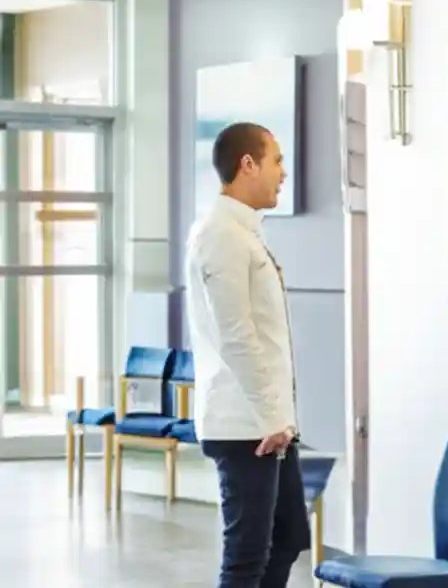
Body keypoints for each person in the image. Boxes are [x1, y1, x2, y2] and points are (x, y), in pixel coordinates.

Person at [186, 122, 309, 587]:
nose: (283, 173)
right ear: (248, 164)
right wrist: (272, 416)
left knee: (287, 538)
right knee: (247, 556)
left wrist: (281, 419)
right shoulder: (220, 235)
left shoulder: (244, 233)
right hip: (246, 426)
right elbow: (236, 336)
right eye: (277, 160)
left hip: (270, 423)